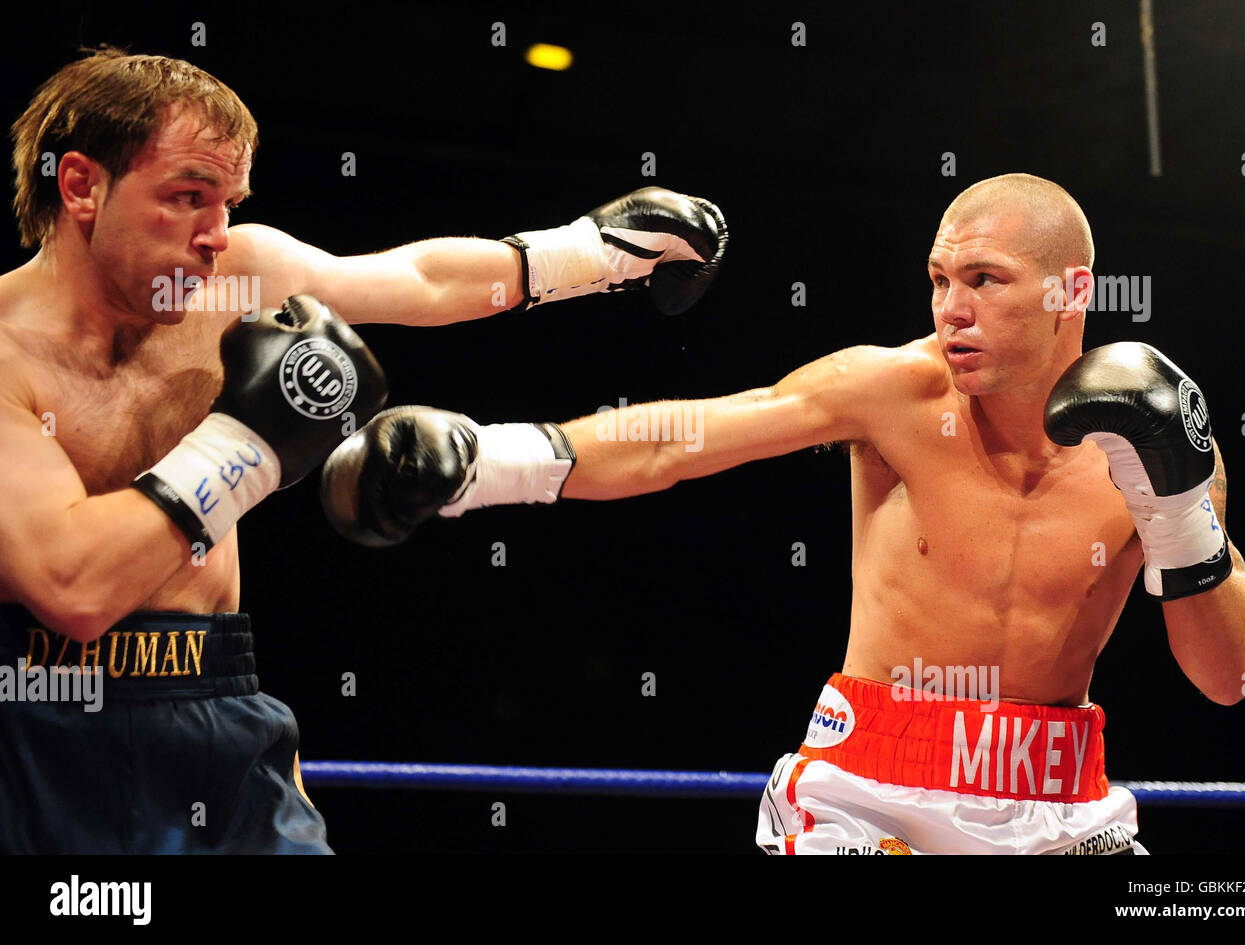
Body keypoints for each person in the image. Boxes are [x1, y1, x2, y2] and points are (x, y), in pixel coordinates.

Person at [320, 173, 1245, 855]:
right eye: (940, 280)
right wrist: (491, 461)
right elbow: (690, 434)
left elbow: (1231, 679)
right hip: (870, 792)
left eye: (984, 280)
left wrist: (1182, 515)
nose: (951, 309)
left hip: (1058, 800)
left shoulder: (1157, 447)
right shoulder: (894, 389)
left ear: (1074, 292)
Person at [0, 47, 725, 853]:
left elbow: (416, 278)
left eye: (230, 203)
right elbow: (71, 584)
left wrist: (592, 253)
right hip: (41, 716)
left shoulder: (235, 276)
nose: (215, 236)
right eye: (187, 197)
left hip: (219, 696)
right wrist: (250, 441)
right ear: (80, 186)